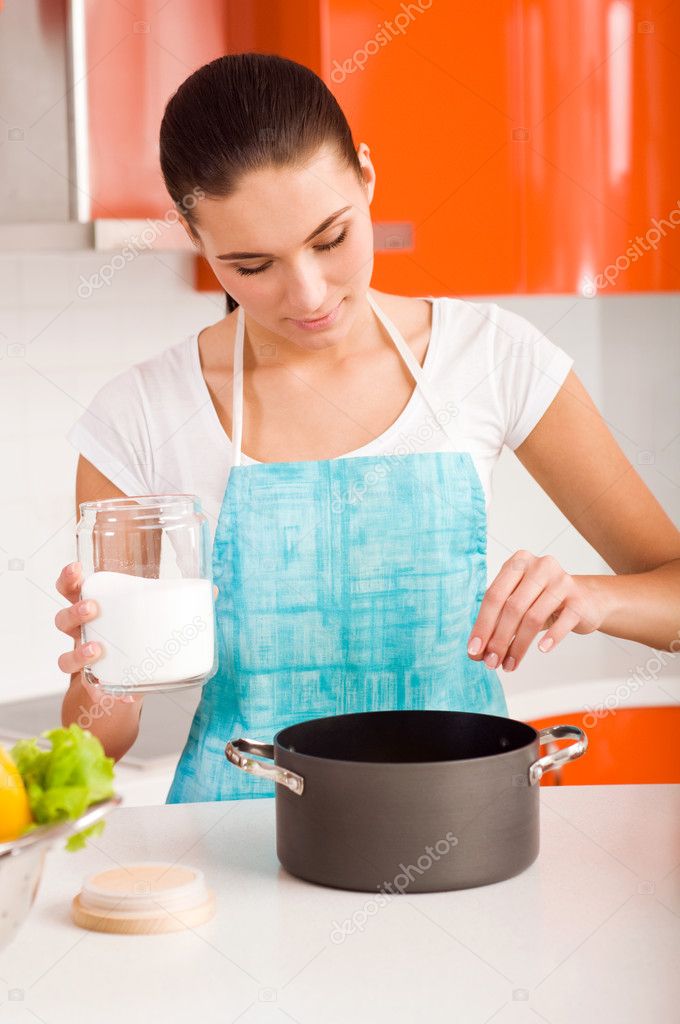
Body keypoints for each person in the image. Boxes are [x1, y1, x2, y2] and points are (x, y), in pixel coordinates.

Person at [56, 53, 680, 802]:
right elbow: (97, 750)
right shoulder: (140, 415)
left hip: (461, 839)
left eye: (331, 238)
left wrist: (598, 598)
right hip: (235, 859)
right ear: (195, 236)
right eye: (253, 266)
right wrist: (106, 678)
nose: (310, 293)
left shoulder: (491, 358)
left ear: (367, 176)